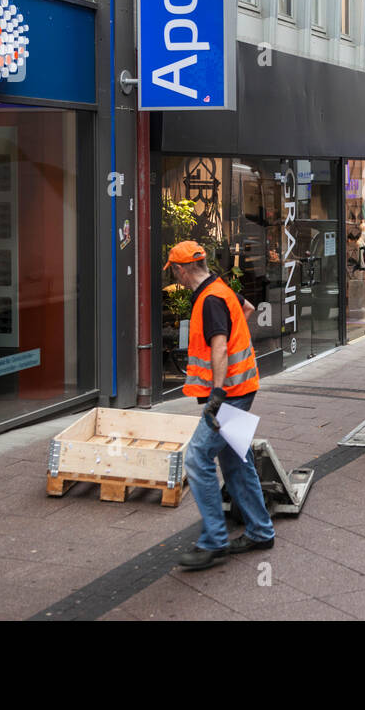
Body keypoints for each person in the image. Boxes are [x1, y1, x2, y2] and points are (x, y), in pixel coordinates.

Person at [164, 241, 275, 571]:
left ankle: (213, 541)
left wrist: (215, 394)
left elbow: (220, 347)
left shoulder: (209, 300)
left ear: (181, 270)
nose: (175, 278)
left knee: (197, 457)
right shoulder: (221, 289)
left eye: (173, 272)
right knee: (235, 461)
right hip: (243, 386)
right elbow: (250, 309)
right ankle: (260, 531)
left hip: (228, 393)